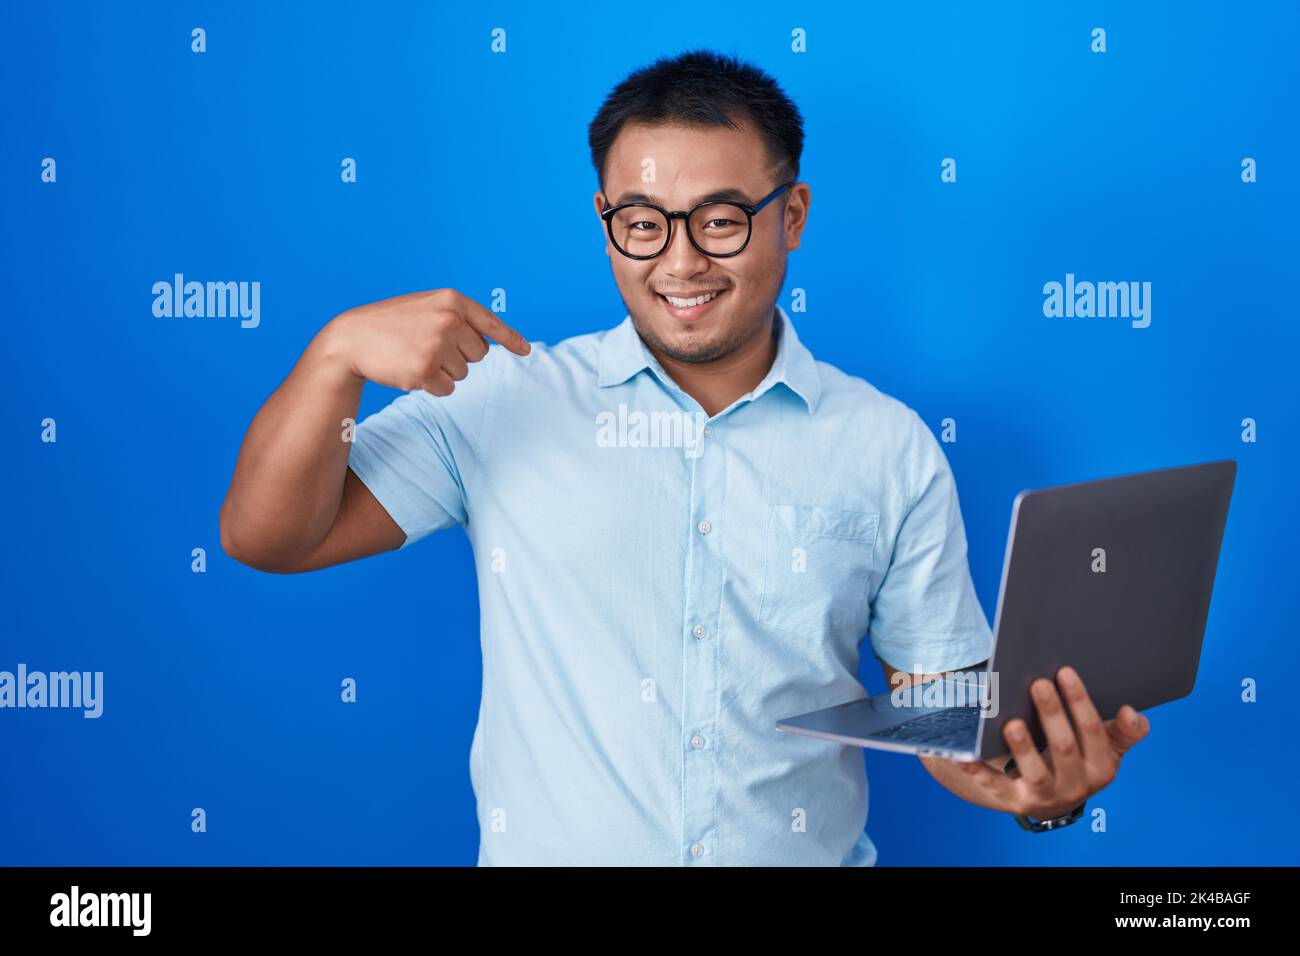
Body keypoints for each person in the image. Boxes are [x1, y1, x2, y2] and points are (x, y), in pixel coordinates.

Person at [219, 49, 1149, 865]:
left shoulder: (888, 445)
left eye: (720, 219)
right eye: (642, 220)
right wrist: (334, 358)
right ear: (605, 217)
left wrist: (1037, 792)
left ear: (792, 215)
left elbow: (942, 716)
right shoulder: (503, 401)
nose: (679, 263)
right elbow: (271, 538)